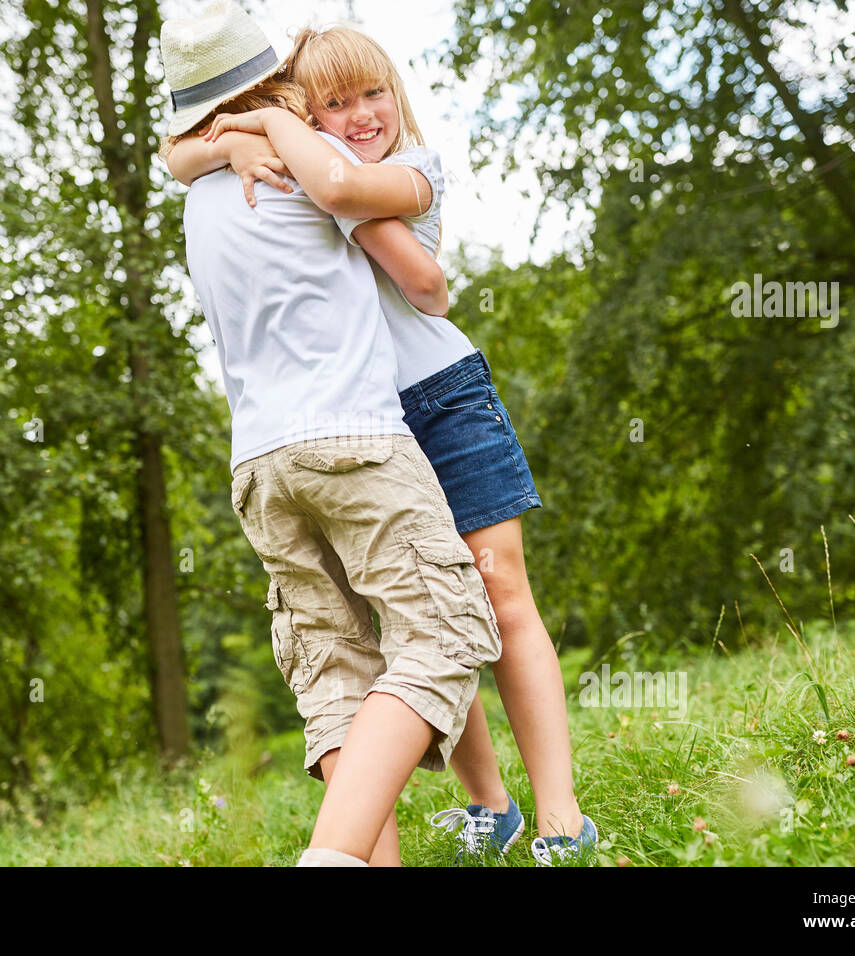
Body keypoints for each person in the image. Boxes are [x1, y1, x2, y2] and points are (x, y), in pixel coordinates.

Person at [190, 21, 599, 865]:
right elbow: (180, 154)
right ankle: (491, 805)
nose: (359, 112)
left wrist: (297, 164)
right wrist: (241, 140)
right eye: (332, 103)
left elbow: (427, 286)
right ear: (302, 110)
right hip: (356, 419)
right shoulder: (290, 164)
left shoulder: (399, 170)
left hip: (438, 398)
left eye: (373, 92)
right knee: (413, 619)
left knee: (498, 595)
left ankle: (559, 818)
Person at [157, 0, 502, 867]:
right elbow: (419, 274)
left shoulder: (202, 190)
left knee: (337, 671)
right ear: (275, 87)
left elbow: (177, 155)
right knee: (444, 632)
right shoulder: (309, 163)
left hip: (260, 466)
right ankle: (333, 858)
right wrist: (277, 124)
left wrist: (227, 135)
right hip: (353, 439)